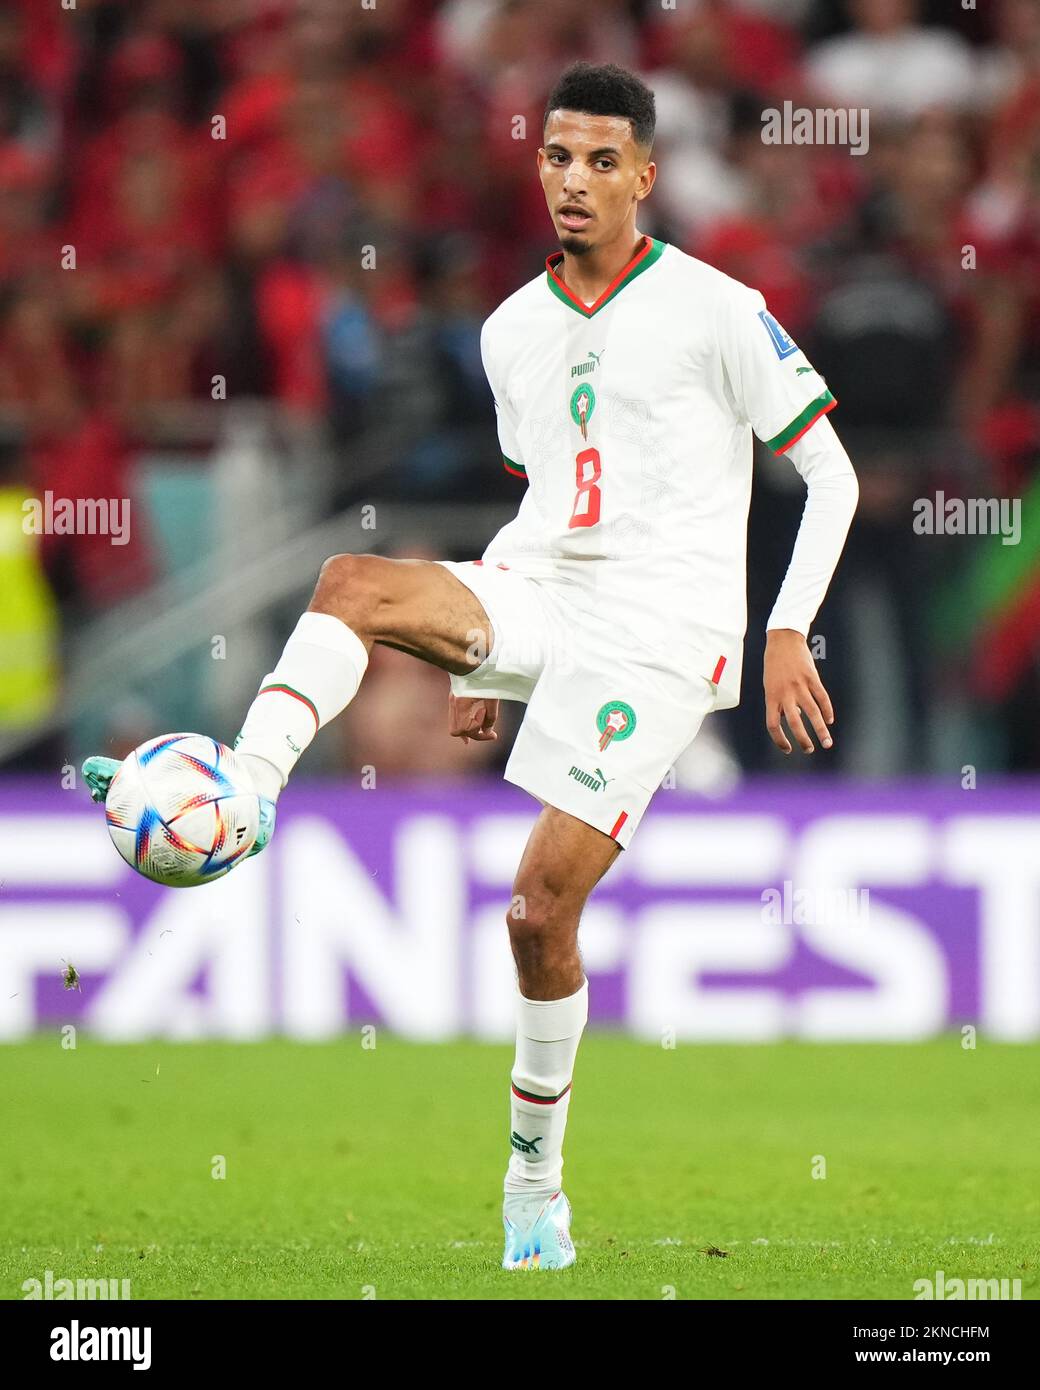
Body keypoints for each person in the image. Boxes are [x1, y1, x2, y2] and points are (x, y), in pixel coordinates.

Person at [83, 62, 859, 1271]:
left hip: (660, 636)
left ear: (645, 176)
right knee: (351, 584)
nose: (576, 181)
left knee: (537, 910)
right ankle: (247, 789)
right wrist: (481, 659)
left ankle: (532, 1181)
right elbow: (540, 507)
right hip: (548, 592)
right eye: (557, 156)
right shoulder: (508, 333)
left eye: (603, 161)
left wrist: (781, 627)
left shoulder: (717, 306)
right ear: (535, 165)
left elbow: (831, 474)